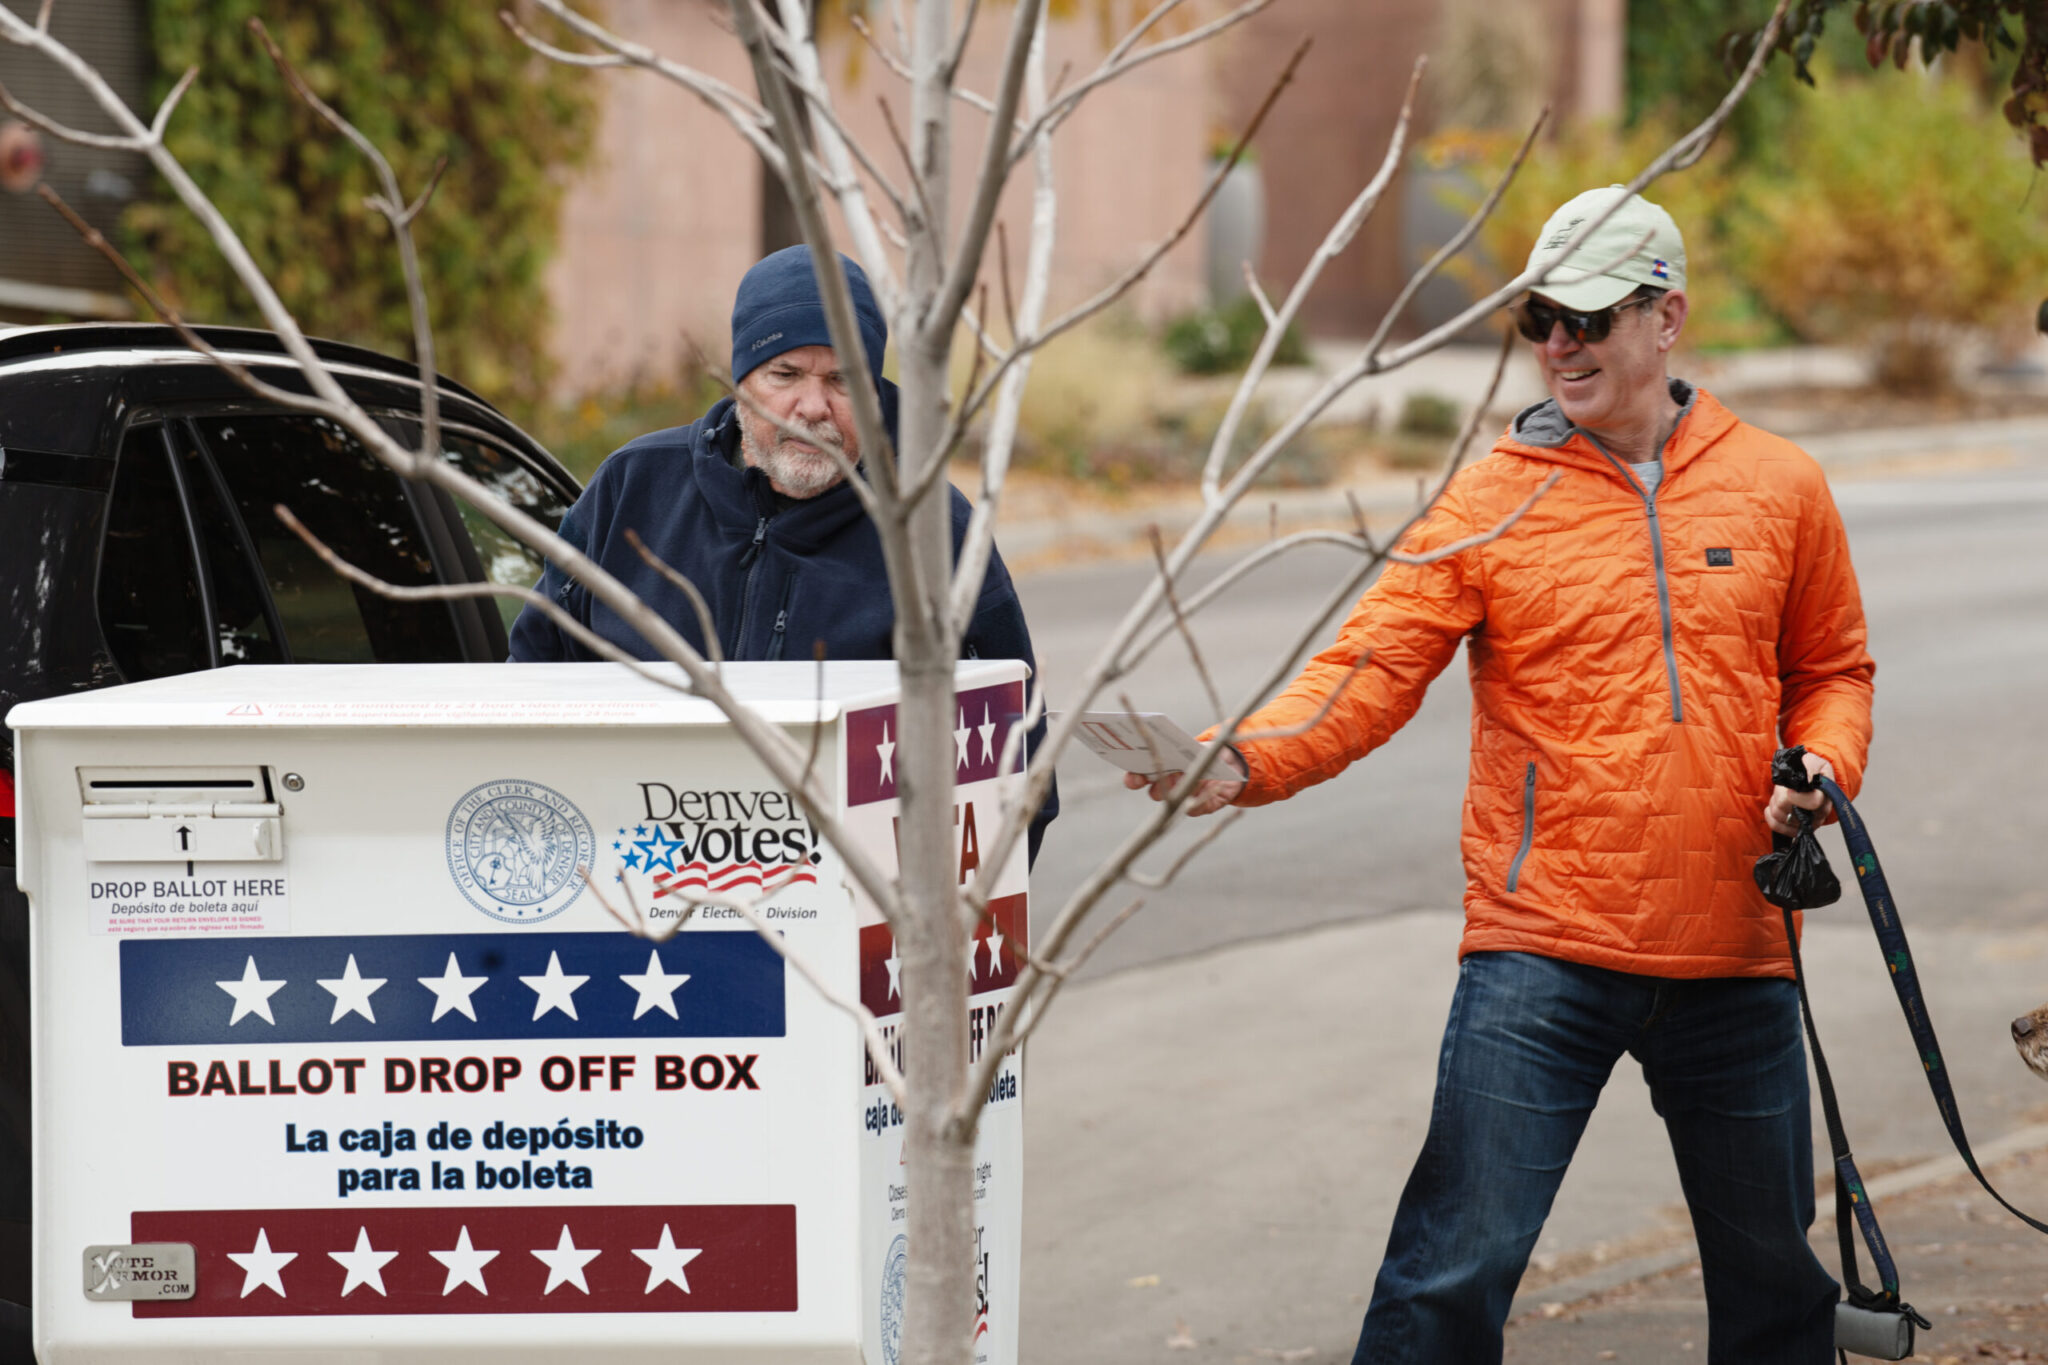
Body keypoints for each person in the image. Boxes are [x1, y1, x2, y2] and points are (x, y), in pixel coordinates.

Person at [1129, 186, 1873, 1363]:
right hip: (1543, 941)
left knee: (1775, 1290)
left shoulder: (1779, 485)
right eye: (1539, 318)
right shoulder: (1490, 500)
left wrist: (1820, 764)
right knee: (1446, 1282)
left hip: (1734, 944)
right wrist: (1242, 762)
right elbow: (1367, 666)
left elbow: (1832, 668)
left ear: (1664, 315)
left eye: (1584, 317)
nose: (1557, 344)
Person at [512, 246, 1057, 860]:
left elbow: (1018, 768)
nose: (813, 407)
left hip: (849, 917)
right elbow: (531, 689)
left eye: (842, 379)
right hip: (633, 899)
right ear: (741, 382)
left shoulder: (933, 531)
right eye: (785, 375)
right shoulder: (632, 491)